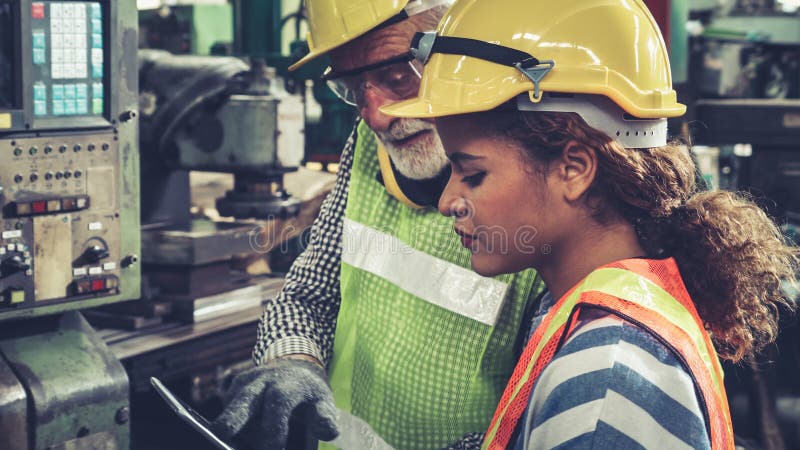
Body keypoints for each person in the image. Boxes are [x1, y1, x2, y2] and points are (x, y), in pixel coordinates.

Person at [383, 0, 799, 448]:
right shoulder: (584, 315)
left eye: (473, 174)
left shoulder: (609, 381)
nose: (447, 201)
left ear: (574, 168)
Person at [211, 1, 546, 449]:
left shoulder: (543, 186)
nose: (376, 117)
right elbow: (308, 294)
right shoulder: (369, 149)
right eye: (354, 88)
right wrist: (293, 362)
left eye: (398, 77)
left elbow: (538, 420)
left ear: (472, 50)